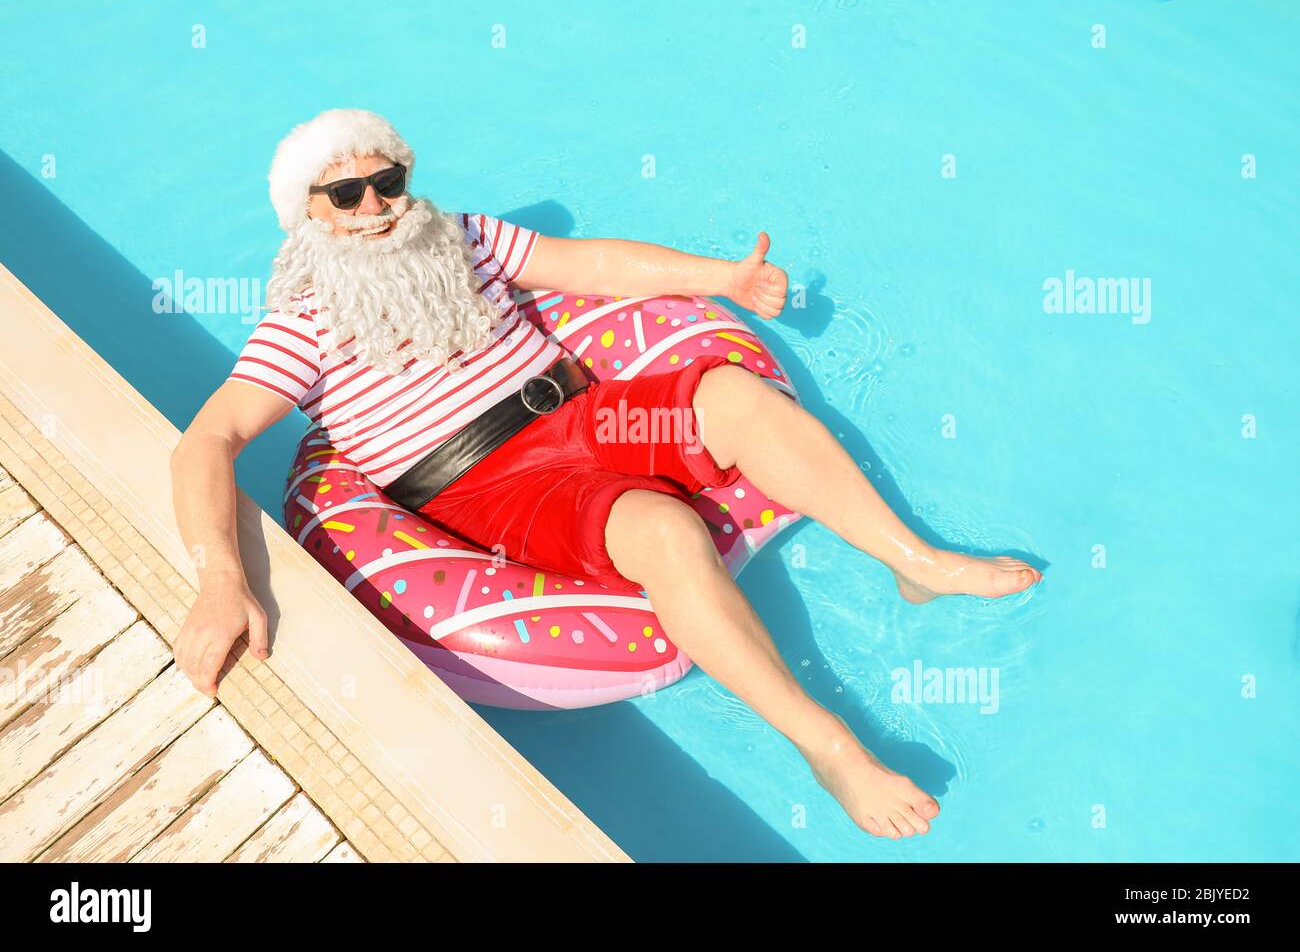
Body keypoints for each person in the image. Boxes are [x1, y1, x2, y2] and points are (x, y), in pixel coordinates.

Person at [171, 109, 1041, 840]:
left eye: (387, 181)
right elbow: (205, 442)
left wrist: (725, 280)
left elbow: (587, 265)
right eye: (346, 193)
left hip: (584, 411)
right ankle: (831, 749)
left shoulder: (461, 237)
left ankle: (914, 563)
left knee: (734, 397)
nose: (376, 207)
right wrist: (220, 577)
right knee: (664, 530)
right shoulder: (301, 325)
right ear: (309, 214)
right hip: (492, 483)